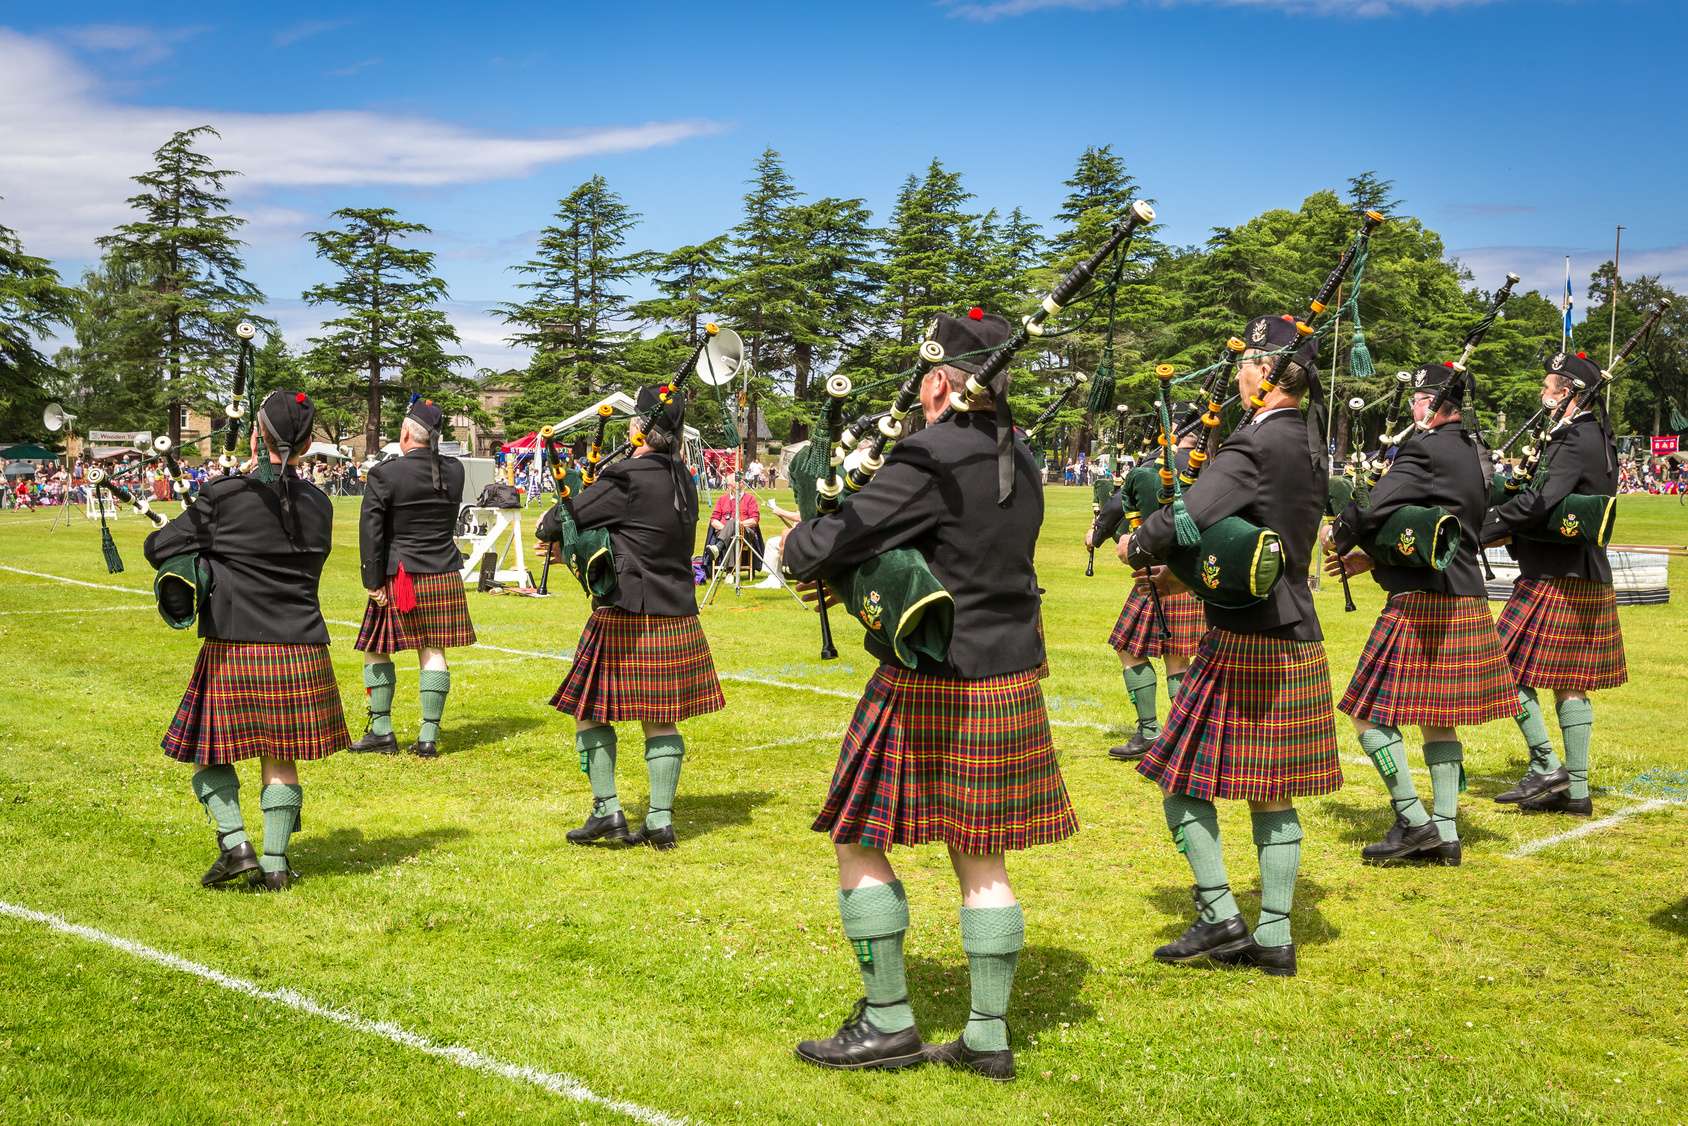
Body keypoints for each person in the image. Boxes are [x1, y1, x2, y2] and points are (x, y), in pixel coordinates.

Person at [783, 310, 1075, 1081]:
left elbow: (848, 536)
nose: (917, 390)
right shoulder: (1025, 454)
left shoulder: (930, 451)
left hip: (931, 676)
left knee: (858, 835)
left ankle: (888, 1023)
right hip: (1008, 669)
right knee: (982, 858)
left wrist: (797, 543)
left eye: (924, 377)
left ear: (942, 381)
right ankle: (985, 1035)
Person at [1123, 314, 1341, 978]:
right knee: (1273, 790)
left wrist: (1141, 540)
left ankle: (1220, 916)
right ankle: (1273, 936)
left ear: (1269, 376)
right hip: (1297, 630)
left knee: (1180, 781)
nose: (1240, 372)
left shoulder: (1254, 446)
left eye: (1248, 365)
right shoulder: (1307, 442)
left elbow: (1192, 513)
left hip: (1245, 638)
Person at [143, 390, 348, 891]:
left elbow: (157, 549)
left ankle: (236, 846)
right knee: (281, 756)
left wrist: (194, 541)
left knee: (210, 753)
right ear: (303, 446)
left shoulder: (223, 496)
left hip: (235, 646)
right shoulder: (320, 504)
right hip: (300, 647)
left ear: (257, 436)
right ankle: (276, 866)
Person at [1325, 362, 1518, 865]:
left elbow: (1374, 505)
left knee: (1367, 716)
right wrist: (1378, 553)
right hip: (1466, 592)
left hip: (1425, 597)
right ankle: (1448, 833)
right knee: (1439, 718)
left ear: (1430, 405)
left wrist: (1340, 537)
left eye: (1417, 399)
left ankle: (1413, 820)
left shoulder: (1424, 447)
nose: (1413, 407)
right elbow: (1440, 520)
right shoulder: (1474, 452)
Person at [538, 383, 725, 851]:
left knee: (589, 711)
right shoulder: (685, 478)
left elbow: (556, 521)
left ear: (639, 428)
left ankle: (608, 810)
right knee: (661, 718)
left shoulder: (626, 478)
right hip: (677, 610)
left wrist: (590, 490)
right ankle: (659, 820)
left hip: (627, 613)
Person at [1482, 351, 1626, 816]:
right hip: (1578, 571)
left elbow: (1542, 501)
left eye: (1549, 385)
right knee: (1569, 681)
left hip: (1556, 574)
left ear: (1569, 392)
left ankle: (1546, 763)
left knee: (1500, 665)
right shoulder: (1594, 435)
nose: (1543, 392)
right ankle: (1576, 790)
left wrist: (1484, 525)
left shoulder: (1574, 439)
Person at [351, 399, 475, 760]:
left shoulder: (385, 474)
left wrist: (372, 581)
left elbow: (370, 532)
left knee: (376, 649)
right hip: (442, 572)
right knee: (433, 650)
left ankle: (381, 730)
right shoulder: (454, 471)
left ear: (405, 433)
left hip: (399, 575)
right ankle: (427, 737)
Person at [1088, 419, 1207, 762]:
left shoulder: (1153, 467)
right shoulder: (1212, 468)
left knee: (1128, 648)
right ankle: (1184, 738)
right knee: (1178, 658)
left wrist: (1095, 535)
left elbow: (1117, 506)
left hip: (1154, 574)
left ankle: (1151, 730)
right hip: (1190, 575)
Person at [704, 476, 765, 576]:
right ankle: (730, 573)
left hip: (745, 532)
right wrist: (728, 529)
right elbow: (714, 520)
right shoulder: (722, 499)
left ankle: (717, 548)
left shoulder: (750, 499)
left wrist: (735, 525)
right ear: (729, 486)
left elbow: (754, 520)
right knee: (731, 530)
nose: (740, 483)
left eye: (741, 482)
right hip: (723, 532)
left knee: (733, 522)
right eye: (736, 481)